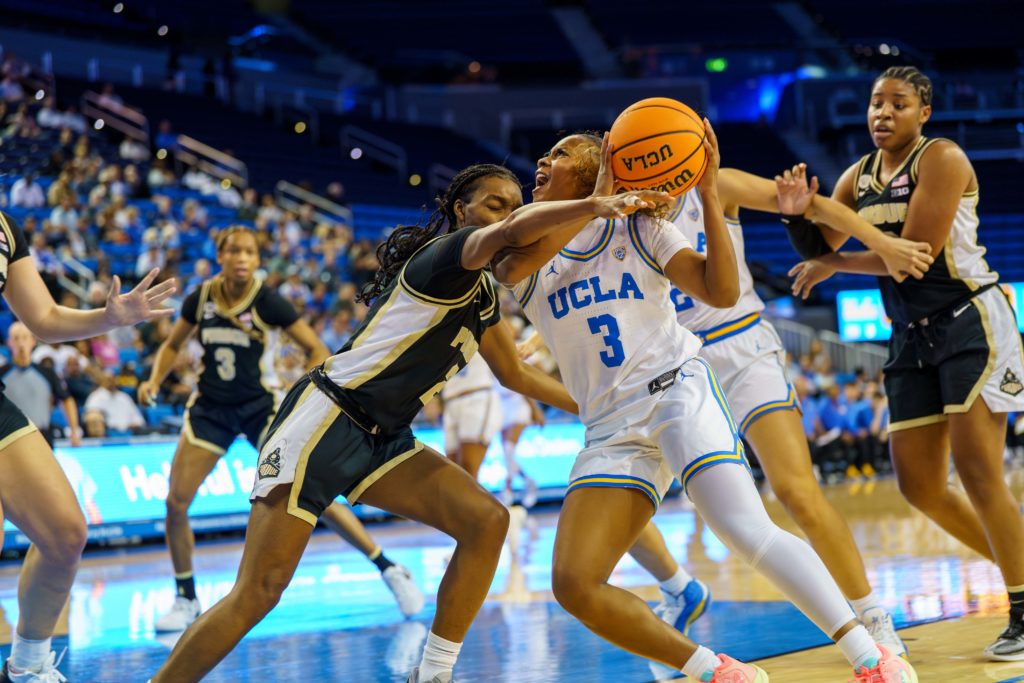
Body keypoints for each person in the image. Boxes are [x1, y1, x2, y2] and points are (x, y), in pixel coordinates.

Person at [147, 164, 665, 683]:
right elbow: (511, 234)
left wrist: (604, 405)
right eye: (494, 204)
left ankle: (432, 674)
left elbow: (516, 376)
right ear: (463, 212)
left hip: (384, 439)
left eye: (514, 203)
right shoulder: (446, 256)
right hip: (328, 420)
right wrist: (595, 205)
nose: (508, 214)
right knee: (259, 592)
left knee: (486, 522)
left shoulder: (483, 294)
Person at [491, 128, 917, 683]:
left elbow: (718, 291)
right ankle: (718, 670)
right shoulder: (521, 251)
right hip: (610, 427)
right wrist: (599, 198)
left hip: (679, 389)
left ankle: (869, 652)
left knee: (745, 525)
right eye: (545, 153)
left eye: (560, 153)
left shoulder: (643, 226)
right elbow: (509, 272)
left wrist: (711, 197)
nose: (543, 160)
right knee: (573, 582)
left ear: (601, 166)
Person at [782, 65, 1024, 661]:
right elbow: (821, 244)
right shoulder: (857, 176)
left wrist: (833, 263)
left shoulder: (940, 158)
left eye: (897, 103)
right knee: (918, 485)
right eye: (874, 103)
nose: (882, 113)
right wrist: (795, 214)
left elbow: (912, 256)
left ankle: (1022, 604)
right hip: (909, 336)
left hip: (971, 322)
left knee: (976, 471)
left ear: (924, 114)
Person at [136, 226, 422, 631]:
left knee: (312, 491)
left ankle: (388, 567)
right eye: (234, 250)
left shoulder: (268, 301)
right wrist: (154, 378)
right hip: (210, 409)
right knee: (175, 501)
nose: (241, 258)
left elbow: (315, 348)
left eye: (249, 252)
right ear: (220, 254)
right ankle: (185, 598)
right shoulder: (201, 298)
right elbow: (171, 344)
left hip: (260, 408)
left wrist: (305, 388)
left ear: (257, 260)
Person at [0, 210, 175, 683]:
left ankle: (28, 666)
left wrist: (108, 317)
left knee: (65, 535)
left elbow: (45, 317)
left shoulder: (4, 225)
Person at [0, 322, 81, 447]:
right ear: (9, 342)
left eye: (25, 337)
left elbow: (67, 400)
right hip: (9, 439)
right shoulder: (2, 373)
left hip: (42, 436)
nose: (21, 343)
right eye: (16, 338)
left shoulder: (47, 373)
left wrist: (74, 431)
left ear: (33, 341)